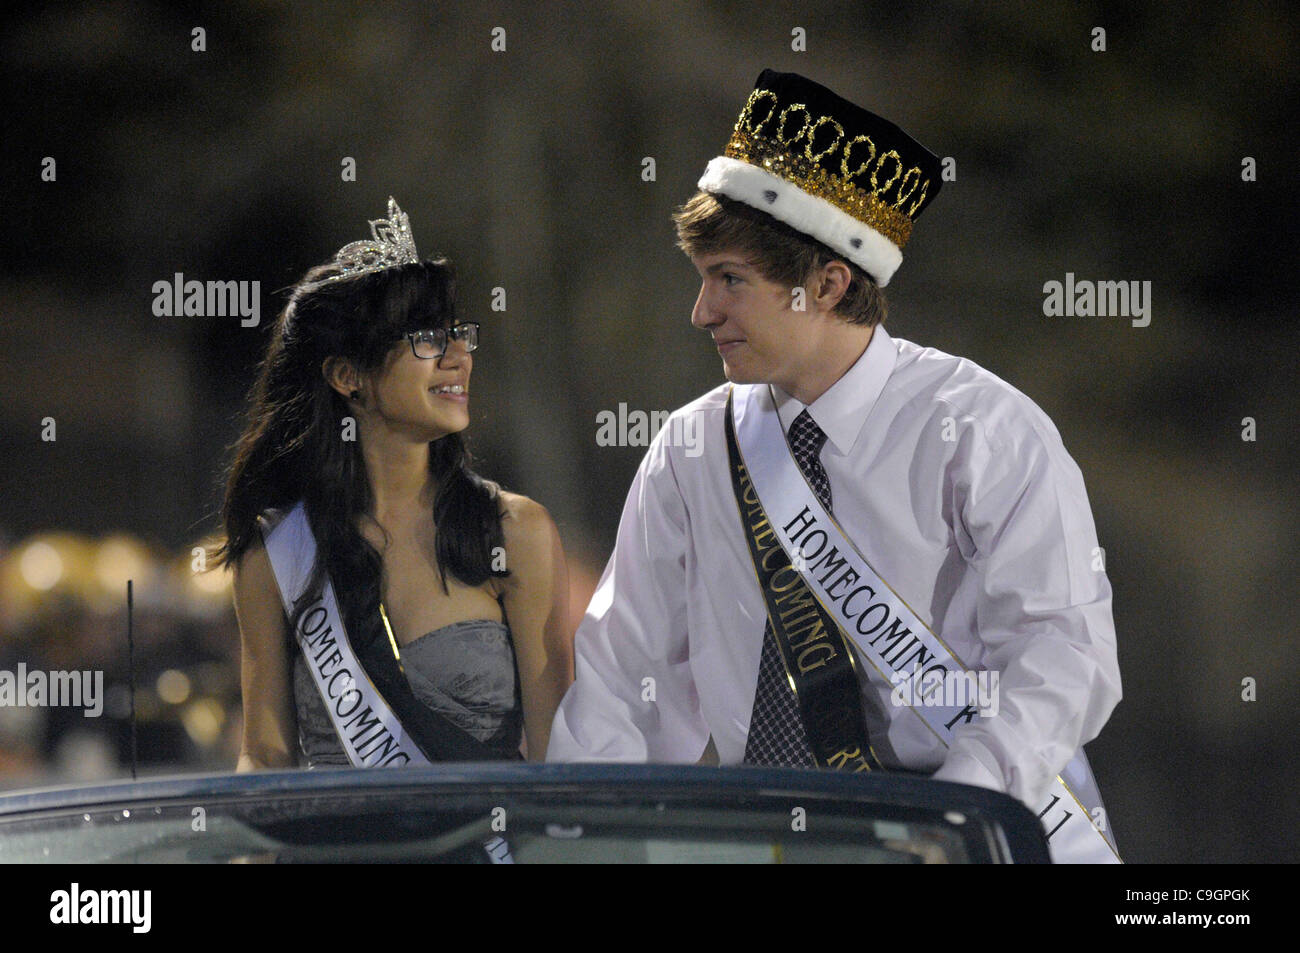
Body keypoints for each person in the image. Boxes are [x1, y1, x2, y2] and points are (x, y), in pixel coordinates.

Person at [547, 71, 1123, 863]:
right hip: (766, 843)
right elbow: (625, 679)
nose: (702, 310)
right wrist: (585, 842)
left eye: (730, 280)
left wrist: (957, 812)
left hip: (963, 832)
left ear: (826, 283)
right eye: (702, 278)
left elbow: (1066, 653)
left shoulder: (981, 429)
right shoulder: (689, 450)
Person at [217, 197, 572, 771]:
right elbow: (264, 758)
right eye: (428, 339)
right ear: (346, 375)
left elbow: (560, 757)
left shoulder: (513, 531)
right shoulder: (277, 551)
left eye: (458, 334)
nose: (458, 357)